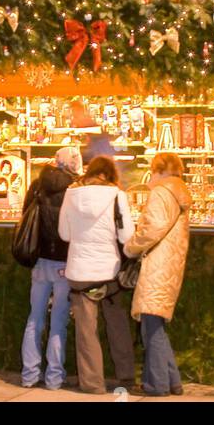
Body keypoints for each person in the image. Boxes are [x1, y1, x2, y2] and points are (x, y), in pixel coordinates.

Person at [58, 155, 135, 395]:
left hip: (80, 273)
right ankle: (126, 377)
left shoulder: (71, 195)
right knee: (117, 325)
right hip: (109, 273)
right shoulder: (117, 196)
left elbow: (64, 234)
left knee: (86, 330)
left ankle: (92, 384)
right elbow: (126, 237)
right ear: (111, 175)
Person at [123, 152, 191, 397]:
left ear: (159, 170)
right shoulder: (178, 191)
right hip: (169, 264)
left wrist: (130, 247)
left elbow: (152, 228)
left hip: (158, 264)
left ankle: (157, 384)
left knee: (151, 325)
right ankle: (173, 382)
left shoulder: (162, 192)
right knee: (156, 322)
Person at [20, 146, 81, 391]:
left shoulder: (37, 185)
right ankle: (54, 377)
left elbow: (25, 216)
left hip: (39, 261)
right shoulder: (75, 189)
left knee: (34, 318)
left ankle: (29, 374)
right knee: (58, 321)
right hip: (65, 262)